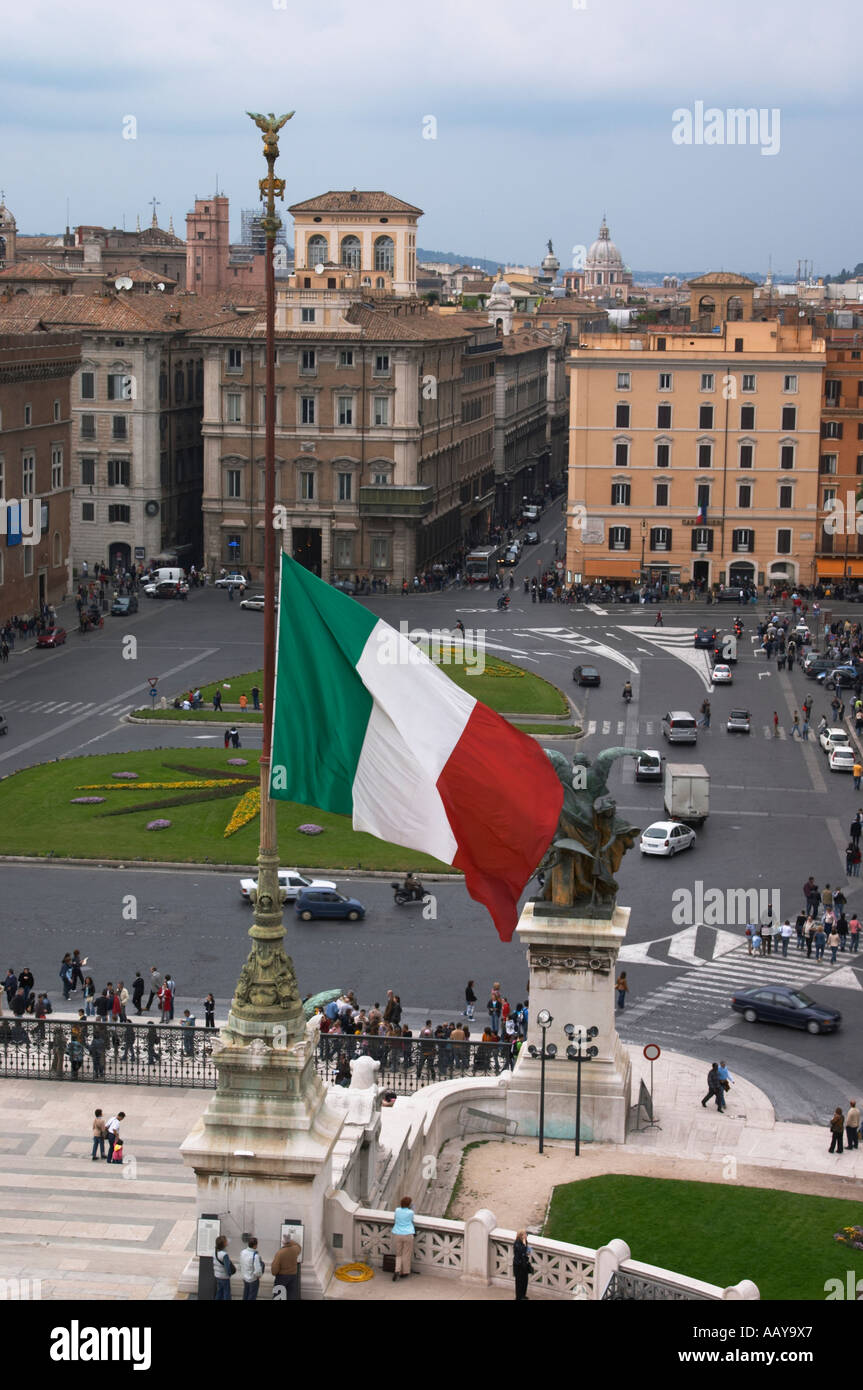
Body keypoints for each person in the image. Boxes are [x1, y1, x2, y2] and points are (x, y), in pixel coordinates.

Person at [271, 1233, 301, 1300]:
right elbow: (298, 1246)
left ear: (283, 1242)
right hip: (293, 1276)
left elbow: (275, 1268)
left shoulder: (280, 1253)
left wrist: (274, 1273)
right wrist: (290, 1241)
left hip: (282, 1277)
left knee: (278, 1296)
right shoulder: (295, 1250)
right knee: (290, 1295)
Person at [392, 1197, 416, 1281]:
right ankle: (404, 1272)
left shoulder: (397, 1210)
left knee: (398, 1254)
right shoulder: (411, 1212)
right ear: (409, 1204)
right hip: (408, 1234)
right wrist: (413, 1209)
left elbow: (395, 1219)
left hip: (397, 1233)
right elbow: (412, 1220)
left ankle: (397, 1270)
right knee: (406, 1253)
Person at [240, 1236, 264, 1300]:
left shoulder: (243, 1252)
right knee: (252, 1296)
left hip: (245, 1277)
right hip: (253, 1279)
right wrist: (259, 1275)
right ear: (255, 1245)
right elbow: (258, 1270)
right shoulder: (255, 1256)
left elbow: (241, 1264)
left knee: (245, 1295)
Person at [513, 1230, 534, 1301]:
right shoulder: (517, 1243)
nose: (526, 1235)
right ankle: (518, 1297)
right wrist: (525, 1246)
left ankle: (523, 1295)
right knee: (519, 1282)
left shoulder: (524, 1242)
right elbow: (520, 1251)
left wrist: (528, 1251)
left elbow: (525, 1253)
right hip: (518, 1266)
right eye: (525, 1234)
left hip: (524, 1264)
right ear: (521, 1235)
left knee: (525, 1281)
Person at [213, 1236, 234, 1300]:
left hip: (217, 1275)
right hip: (224, 1277)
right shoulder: (224, 1255)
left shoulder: (215, 1252)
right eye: (226, 1241)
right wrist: (229, 1274)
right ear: (224, 1244)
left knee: (219, 1292)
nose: (227, 1242)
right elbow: (227, 1267)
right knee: (226, 1293)